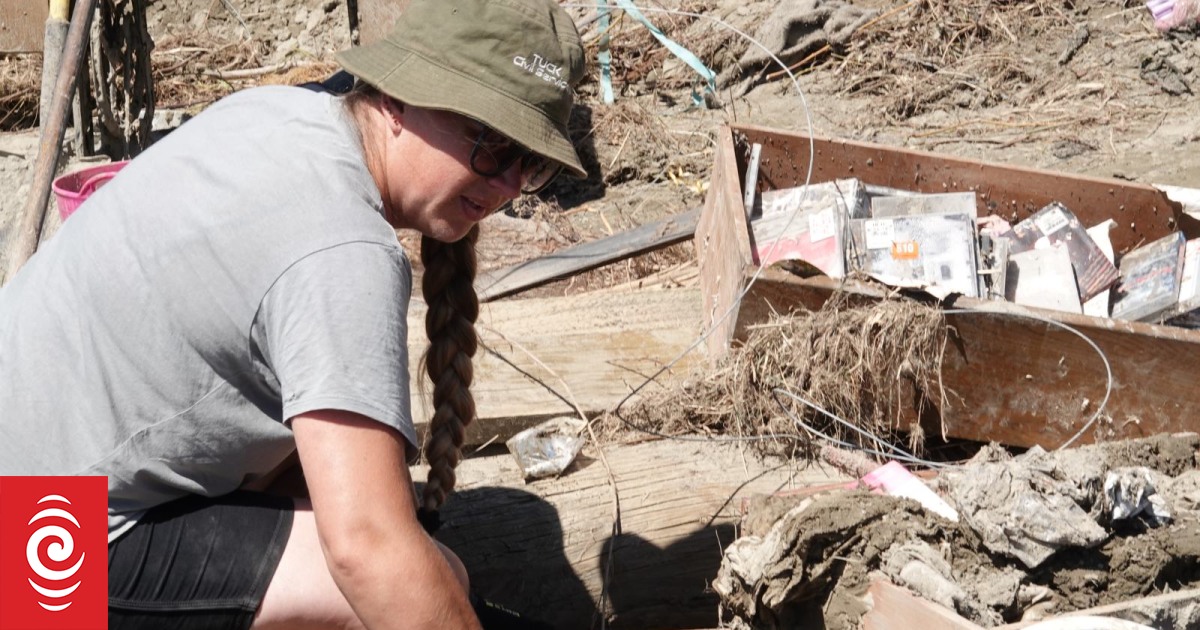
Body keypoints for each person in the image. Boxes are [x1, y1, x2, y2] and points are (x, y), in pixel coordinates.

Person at [0, 0, 585, 627]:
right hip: (29, 554)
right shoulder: (341, 246)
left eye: (532, 163)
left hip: (35, 488)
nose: (507, 186)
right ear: (398, 100)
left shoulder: (288, 113)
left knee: (429, 569)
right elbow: (368, 552)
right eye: (492, 147)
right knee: (394, 587)